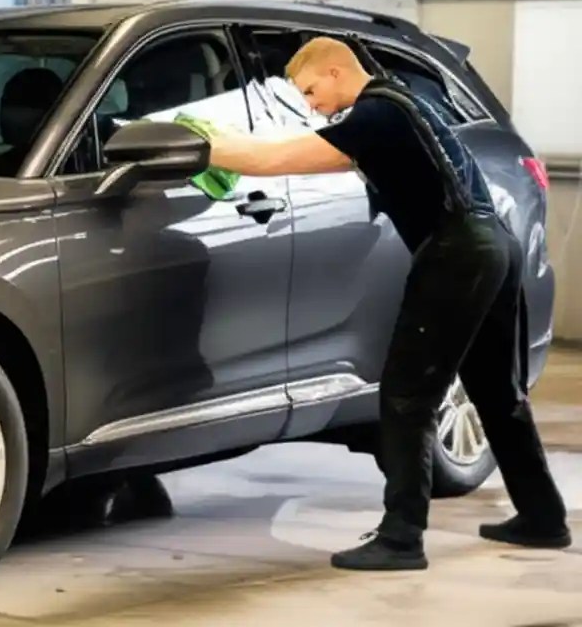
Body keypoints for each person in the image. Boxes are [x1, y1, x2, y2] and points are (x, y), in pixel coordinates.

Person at [205, 36, 570, 571]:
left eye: (310, 90)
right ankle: (543, 517)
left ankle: (401, 538)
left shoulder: (375, 115)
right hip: (494, 245)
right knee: (497, 392)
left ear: (334, 72)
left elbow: (278, 158)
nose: (310, 103)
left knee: (405, 397)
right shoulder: (404, 103)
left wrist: (204, 144)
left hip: (456, 252)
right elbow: (322, 157)